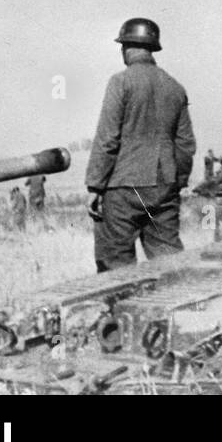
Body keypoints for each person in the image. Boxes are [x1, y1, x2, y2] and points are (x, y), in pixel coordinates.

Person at [86, 18, 196, 272]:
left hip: (123, 188)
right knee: (170, 263)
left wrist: (95, 185)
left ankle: (119, 310)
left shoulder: (120, 82)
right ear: (152, 49)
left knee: (116, 265)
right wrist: (176, 182)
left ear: (125, 48)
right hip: (164, 186)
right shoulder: (175, 87)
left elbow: (108, 137)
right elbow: (185, 143)